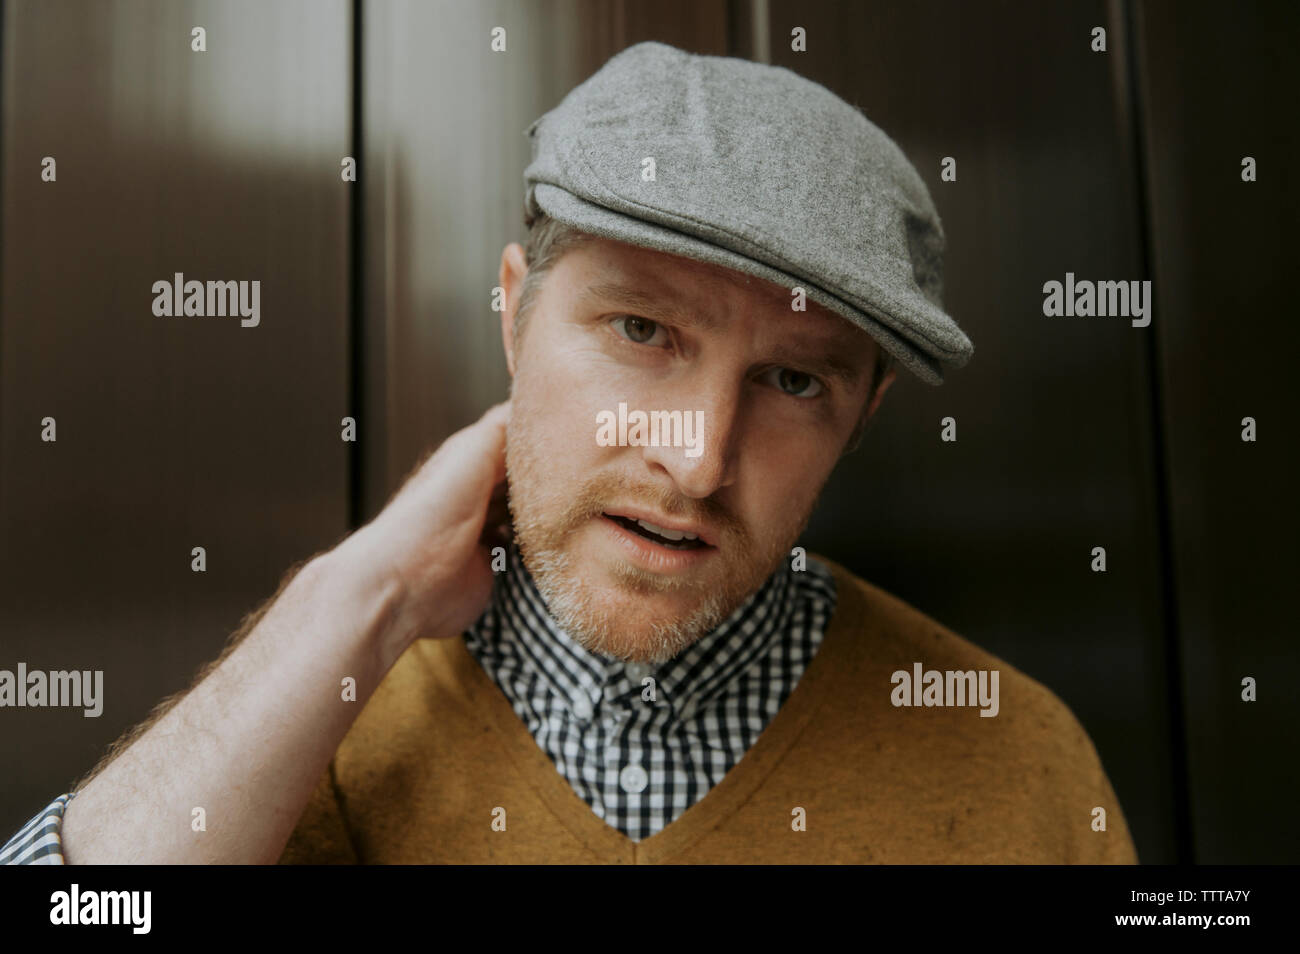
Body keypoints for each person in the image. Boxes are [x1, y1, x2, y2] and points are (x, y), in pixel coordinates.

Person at [2, 41, 1136, 864]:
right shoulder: (311, 723)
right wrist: (360, 596)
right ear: (513, 314)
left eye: (794, 380)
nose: (696, 466)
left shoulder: (1017, 760)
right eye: (642, 331)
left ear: (864, 415)